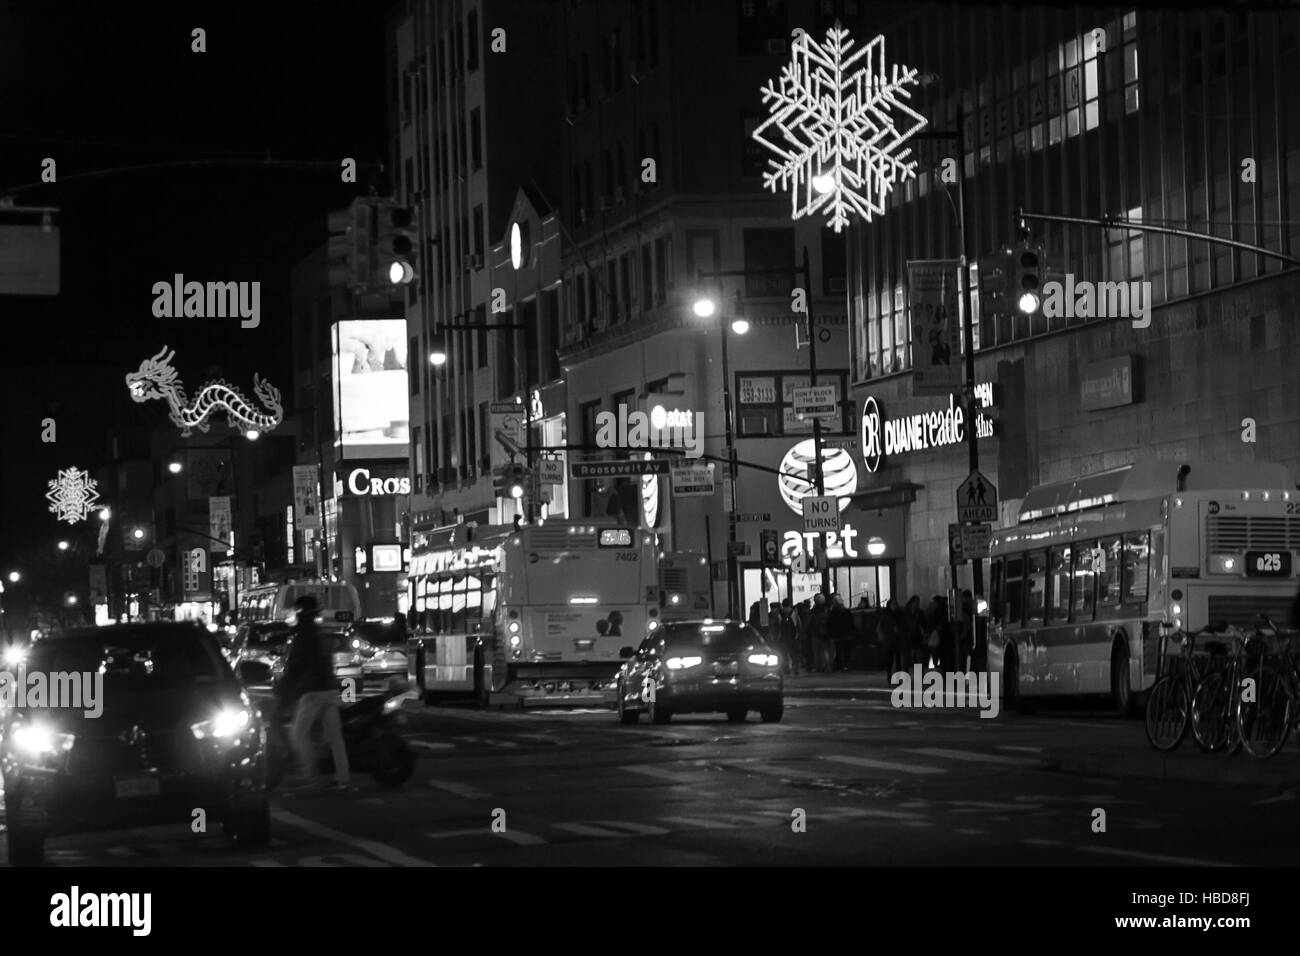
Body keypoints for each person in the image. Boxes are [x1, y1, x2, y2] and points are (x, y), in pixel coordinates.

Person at [277, 595, 351, 791]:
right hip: (329, 689)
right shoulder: (320, 635)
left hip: (313, 692)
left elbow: (295, 667)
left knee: (298, 734)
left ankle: (311, 776)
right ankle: (343, 777)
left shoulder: (304, 637)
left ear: (301, 614)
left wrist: (284, 688)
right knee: (335, 737)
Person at [826, 593, 856, 672]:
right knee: (846, 651)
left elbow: (829, 624)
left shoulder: (832, 613)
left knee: (839, 651)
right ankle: (846, 665)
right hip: (846, 634)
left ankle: (840, 666)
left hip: (837, 635)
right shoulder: (846, 611)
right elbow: (851, 623)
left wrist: (831, 633)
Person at [877, 597, 902, 675]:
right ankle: (889, 675)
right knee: (889, 659)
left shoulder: (899, 614)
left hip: (897, 638)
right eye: (893, 604)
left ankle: (896, 675)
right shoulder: (886, 614)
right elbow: (881, 626)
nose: (895, 606)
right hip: (889, 638)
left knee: (897, 659)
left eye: (896, 604)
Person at [809, 594, 831, 673]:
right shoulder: (827, 610)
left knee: (816, 652)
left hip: (815, 633)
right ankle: (827, 667)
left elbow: (810, 622)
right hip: (825, 633)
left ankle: (819, 667)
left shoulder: (813, 611)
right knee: (825, 651)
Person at [779, 597, 800, 676]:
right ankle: (796, 669)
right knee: (794, 654)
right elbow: (798, 624)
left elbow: (777, 626)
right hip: (793, 637)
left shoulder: (779, 613)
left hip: (783, 638)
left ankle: (786, 669)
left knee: (784, 654)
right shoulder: (794, 613)